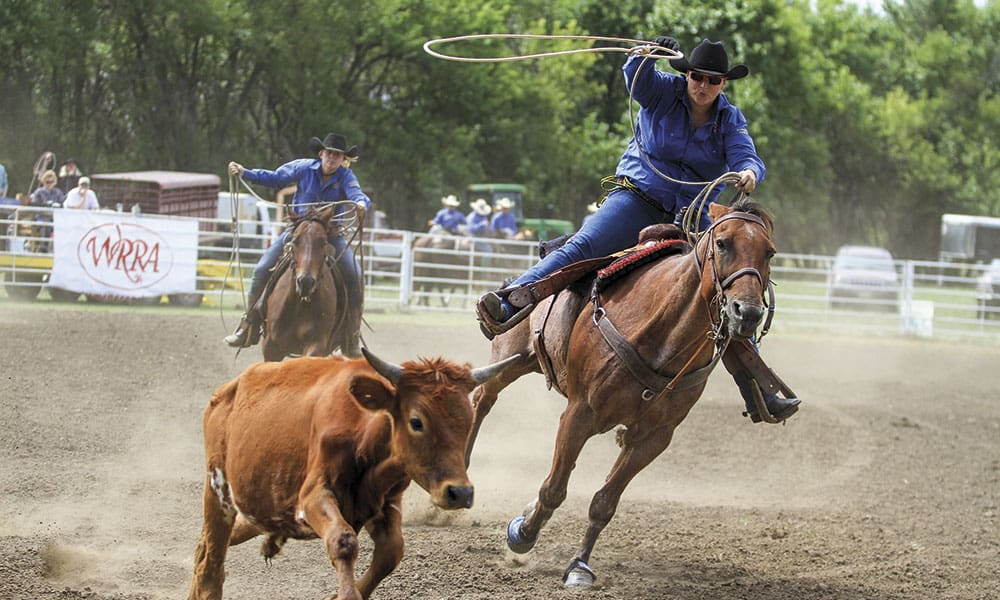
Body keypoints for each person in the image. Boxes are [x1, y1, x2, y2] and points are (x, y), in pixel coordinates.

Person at [477, 37, 798, 423]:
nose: (703, 86)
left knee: (726, 285)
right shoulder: (665, 91)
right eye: (698, 77)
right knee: (585, 245)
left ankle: (759, 389)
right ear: (688, 75)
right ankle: (512, 300)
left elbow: (747, 155)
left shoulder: (729, 119)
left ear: (723, 84)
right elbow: (638, 82)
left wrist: (749, 172)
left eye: (713, 80)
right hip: (638, 197)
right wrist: (643, 57)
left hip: (692, 215)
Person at [223, 132, 371, 357]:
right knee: (262, 269)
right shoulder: (302, 168)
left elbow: (357, 195)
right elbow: (275, 178)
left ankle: (351, 336)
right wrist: (245, 173)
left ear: (343, 159)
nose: (332, 158)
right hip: (298, 231)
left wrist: (361, 204)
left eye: (337, 155)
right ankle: (249, 325)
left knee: (354, 276)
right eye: (329, 153)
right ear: (321, 153)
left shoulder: (346, 177)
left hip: (330, 235)